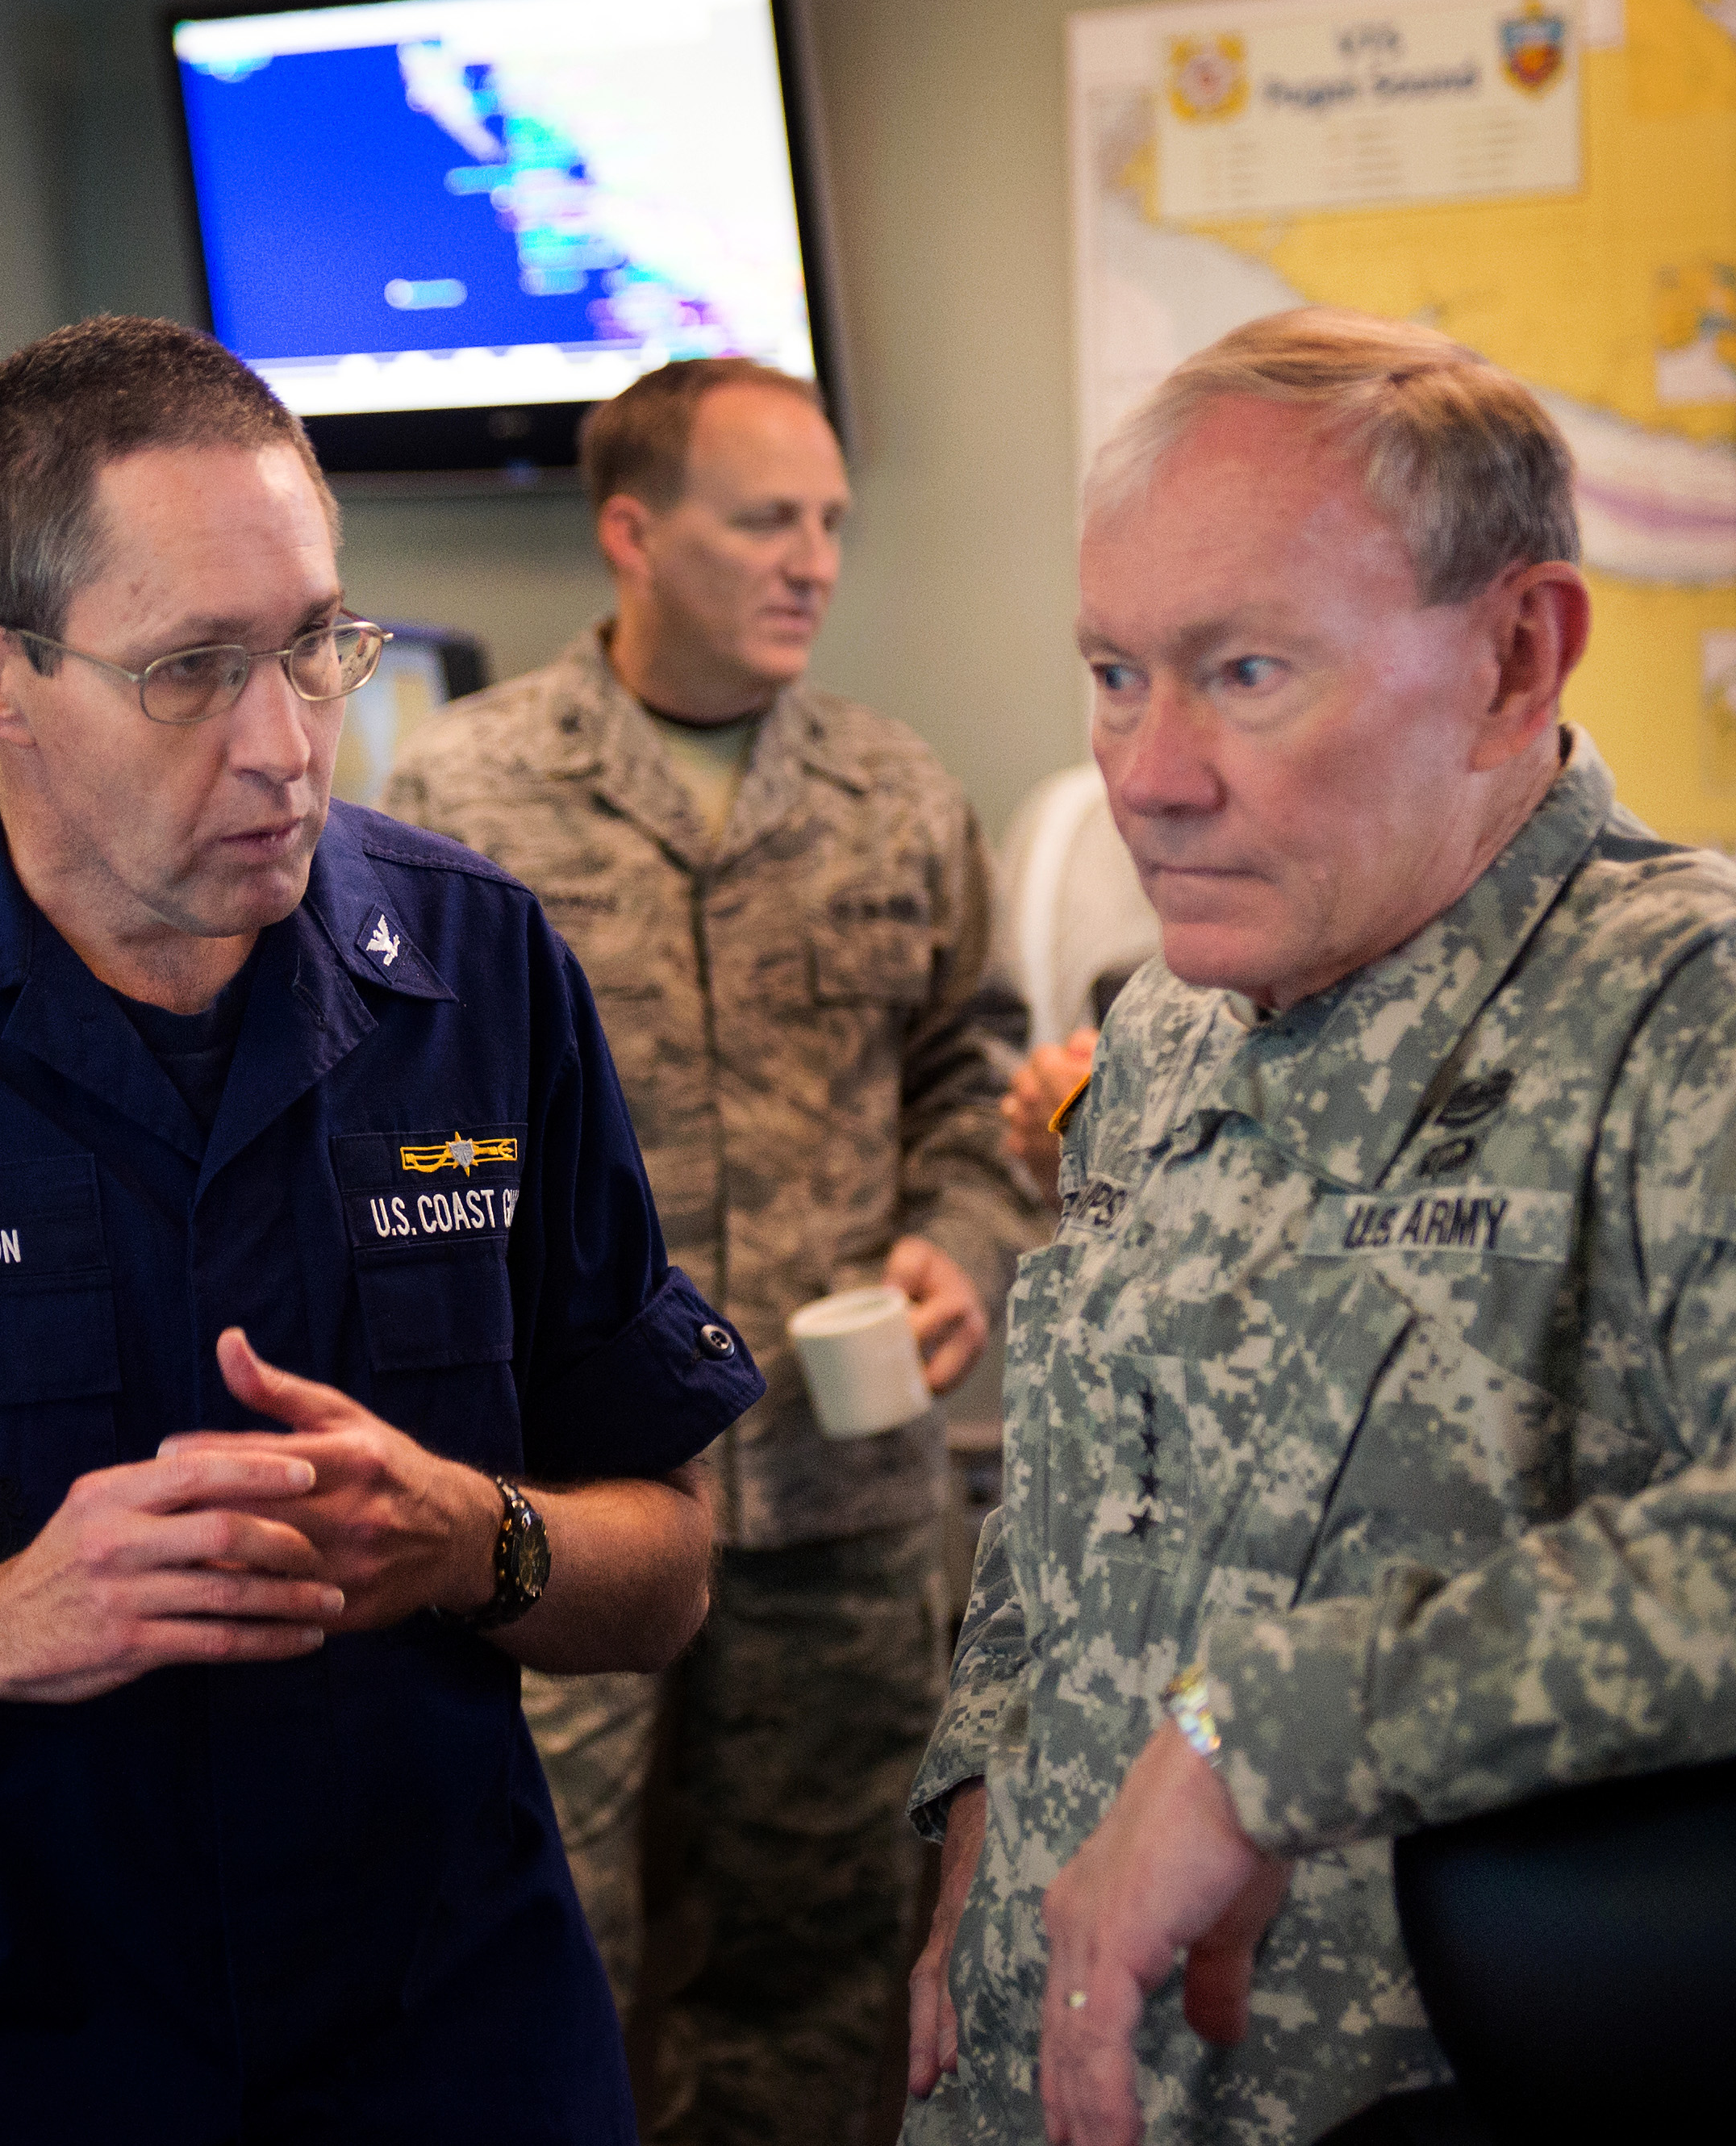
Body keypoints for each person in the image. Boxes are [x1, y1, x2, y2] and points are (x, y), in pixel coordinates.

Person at [901, 307, 1736, 2146]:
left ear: (1519, 654)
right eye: (1115, 674)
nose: (1148, 771)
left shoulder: (1727, 1037)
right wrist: (987, 1789)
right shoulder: (1167, 1018)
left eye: (1247, 673)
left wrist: (1284, 1727)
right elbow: (1072, 1487)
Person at [0, 315, 763, 2144]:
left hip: (445, 2056)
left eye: (315, 642)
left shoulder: (472, 970)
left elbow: (670, 1568)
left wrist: (485, 1539)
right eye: (191, 671)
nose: (286, 746)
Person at [383, 357, 1045, 2142]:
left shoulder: (895, 791)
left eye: (830, 518)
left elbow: (971, 1071)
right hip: (561, 1501)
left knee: (820, 1967)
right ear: (631, 532)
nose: (814, 558)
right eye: (767, 517)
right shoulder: (464, 793)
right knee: (535, 1940)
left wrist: (964, 1242)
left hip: (837, 1496)